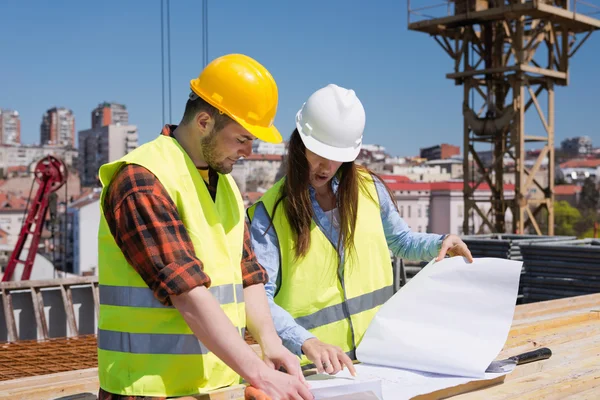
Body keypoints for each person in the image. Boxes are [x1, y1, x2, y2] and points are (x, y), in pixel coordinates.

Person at [96, 54, 313, 400]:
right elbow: (186, 293)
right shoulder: (141, 179)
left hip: (216, 385)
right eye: (242, 138)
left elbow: (248, 273)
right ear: (203, 122)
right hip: (148, 390)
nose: (249, 151)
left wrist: (270, 344)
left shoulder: (224, 183)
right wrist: (258, 373)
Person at [248, 83, 473, 376]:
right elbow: (258, 298)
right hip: (310, 371)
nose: (326, 166)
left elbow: (401, 241)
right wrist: (307, 342)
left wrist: (442, 242)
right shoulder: (269, 213)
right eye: (318, 152)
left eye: (337, 155)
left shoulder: (369, 189)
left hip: (375, 361)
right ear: (301, 142)